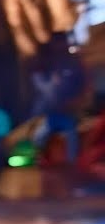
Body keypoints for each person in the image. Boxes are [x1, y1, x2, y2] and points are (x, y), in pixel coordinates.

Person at [31, 34, 85, 162]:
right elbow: (44, 91)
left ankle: (72, 163)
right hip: (51, 115)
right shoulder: (46, 68)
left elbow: (81, 87)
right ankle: (39, 159)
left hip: (68, 113)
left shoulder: (73, 64)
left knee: (71, 138)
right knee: (39, 137)